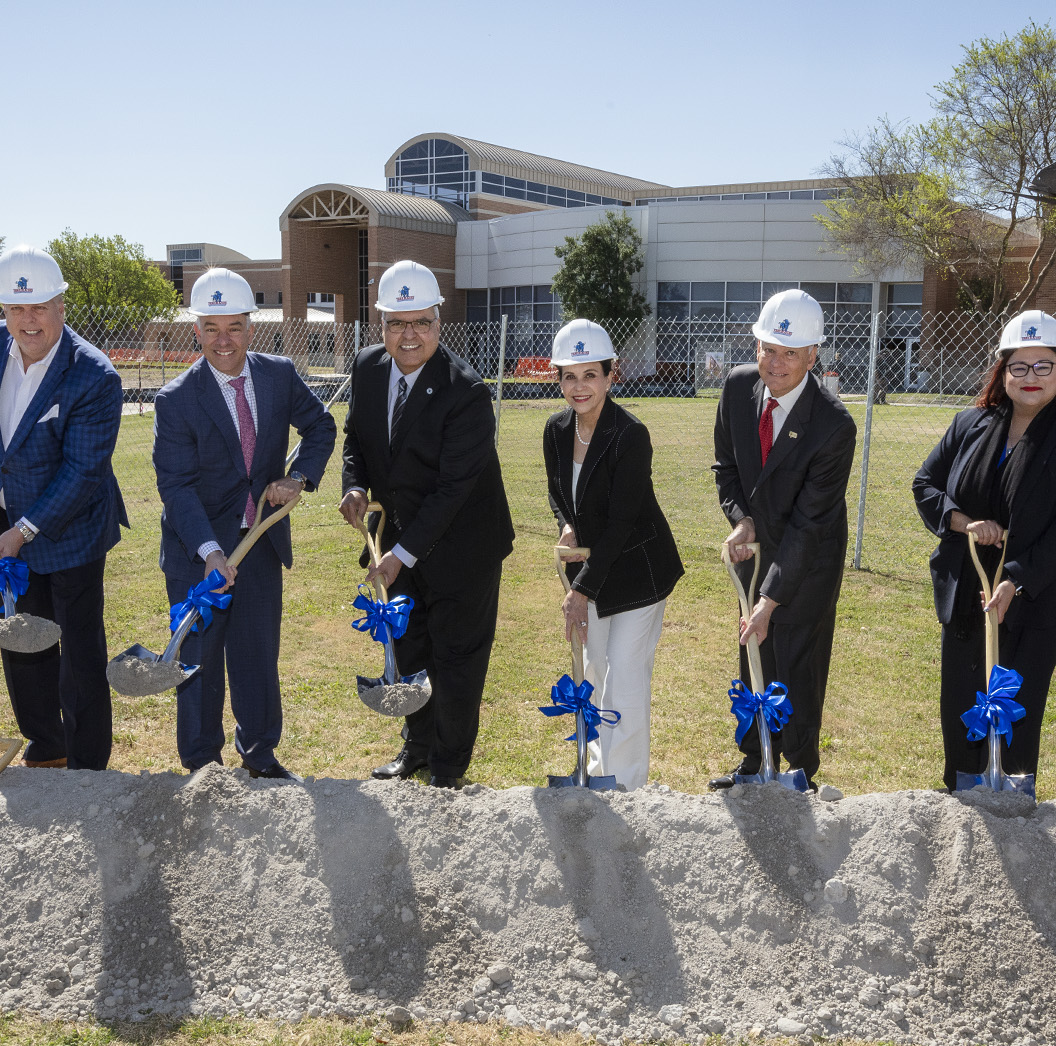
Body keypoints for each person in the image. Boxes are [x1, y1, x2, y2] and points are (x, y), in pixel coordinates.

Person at [911, 310, 1056, 792]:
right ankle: (963, 787)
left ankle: (1013, 790)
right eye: (1018, 366)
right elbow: (926, 484)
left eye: (1044, 365)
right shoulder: (970, 422)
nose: (1031, 377)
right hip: (969, 586)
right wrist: (964, 523)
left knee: (1019, 694)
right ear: (1001, 371)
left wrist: (1015, 578)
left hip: (1036, 593)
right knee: (962, 692)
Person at [151, 268, 337, 780]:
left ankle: (259, 756)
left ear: (251, 327)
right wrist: (210, 551)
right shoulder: (177, 399)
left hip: (259, 543)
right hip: (198, 552)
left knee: (256, 654)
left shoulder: (278, 375)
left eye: (234, 327)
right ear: (197, 331)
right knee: (200, 661)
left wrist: (297, 477)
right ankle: (202, 764)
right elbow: (176, 487)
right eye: (211, 329)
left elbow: (321, 426)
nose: (223, 340)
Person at [338, 260, 514, 788]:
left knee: (456, 663)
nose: (408, 336)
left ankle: (447, 771)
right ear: (381, 324)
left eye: (420, 323)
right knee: (410, 649)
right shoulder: (368, 368)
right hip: (400, 545)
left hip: (464, 549)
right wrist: (355, 484)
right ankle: (416, 747)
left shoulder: (467, 392)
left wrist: (399, 555)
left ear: (439, 321)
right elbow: (356, 437)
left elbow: (453, 490)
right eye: (396, 322)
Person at [0, 244, 128, 770]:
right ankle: (45, 744)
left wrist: (24, 532)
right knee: (20, 634)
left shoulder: (94, 375)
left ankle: (85, 763)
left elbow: (83, 472)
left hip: (73, 529)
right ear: (1, 309)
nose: (27, 321)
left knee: (78, 653)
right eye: (15, 308)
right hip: (11, 521)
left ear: (60, 303)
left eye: (38, 307)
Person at [710, 289, 856, 790]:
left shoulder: (834, 426)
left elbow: (810, 524)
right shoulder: (736, 389)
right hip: (757, 551)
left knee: (797, 660)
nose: (776, 363)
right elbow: (726, 467)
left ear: (813, 355)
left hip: (807, 561)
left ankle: (797, 767)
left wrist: (770, 600)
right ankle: (754, 761)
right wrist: (742, 519)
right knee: (753, 656)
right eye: (768, 349)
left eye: (790, 353)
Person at [544, 319, 684, 789]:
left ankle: (625, 788)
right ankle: (597, 775)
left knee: (624, 676)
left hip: (638, 573)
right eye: (569, 375)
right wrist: (566, 523)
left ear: (610, 375)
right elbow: (559, 493)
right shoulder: (556, 430)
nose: (579, 387)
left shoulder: (630, 435)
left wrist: (581, 590)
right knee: (596, 671)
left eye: (590, 374)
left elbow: (623, 522)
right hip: (594, 566)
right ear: (557, 378)